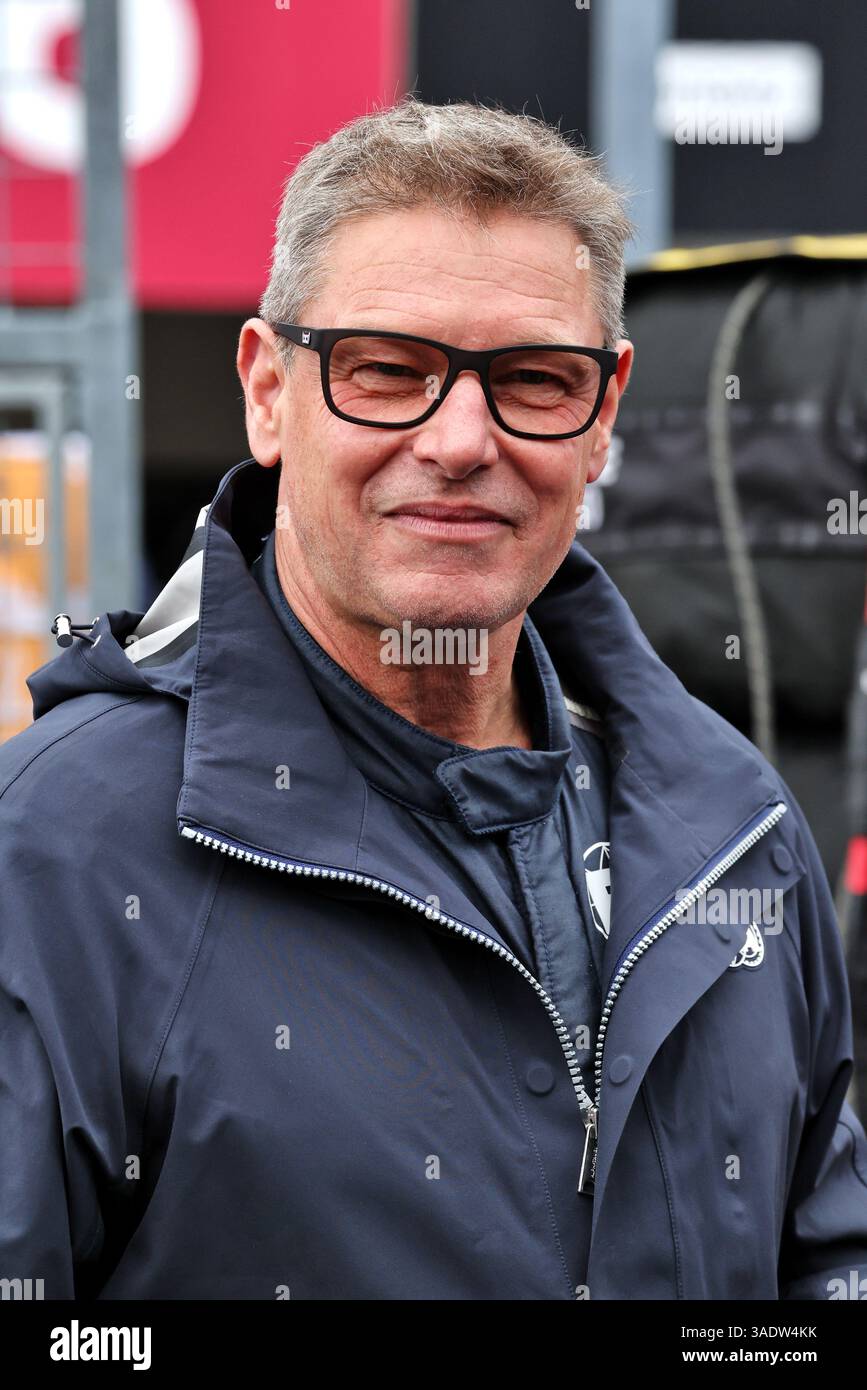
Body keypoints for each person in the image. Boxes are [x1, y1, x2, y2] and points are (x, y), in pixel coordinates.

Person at [1, 96, 866, 1301]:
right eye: (389, 369)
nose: (462, 439)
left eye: (533, 380)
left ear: (604, 414)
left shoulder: (736, 833)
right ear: (268, 391)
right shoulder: (58, 847)